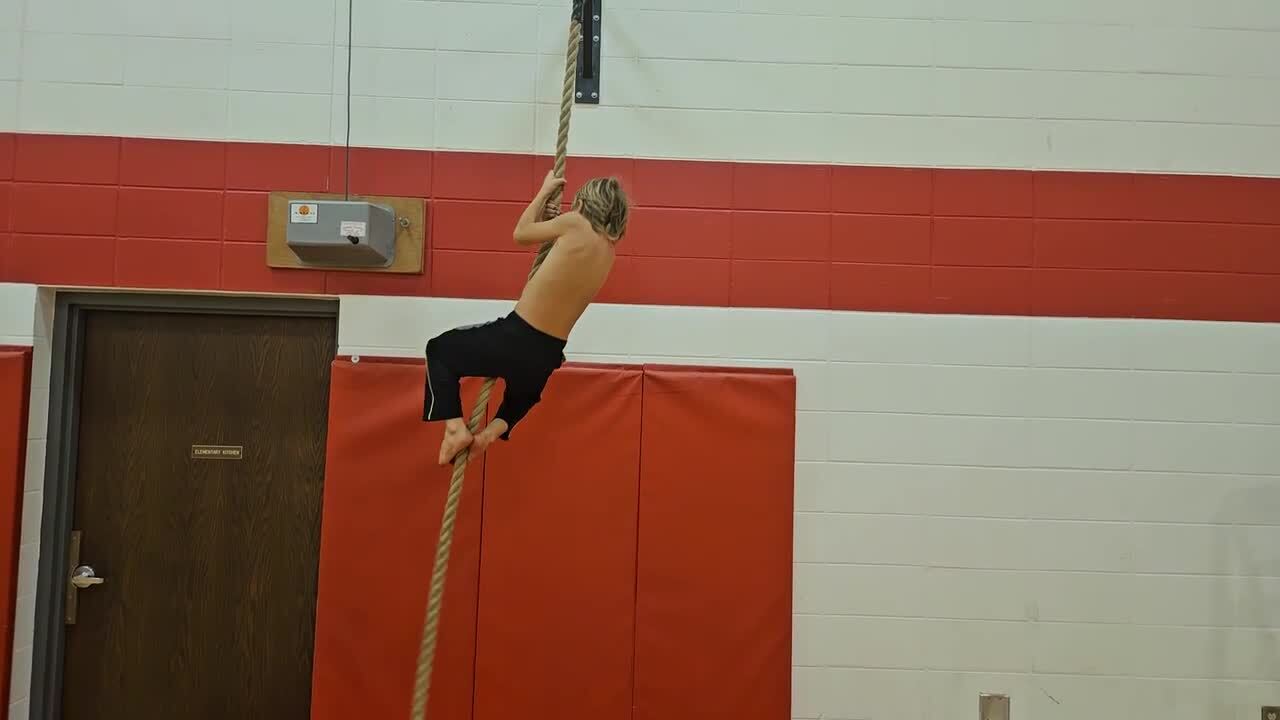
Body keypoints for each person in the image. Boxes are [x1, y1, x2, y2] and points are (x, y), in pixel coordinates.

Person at [423, 170, 630, 465]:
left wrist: (544, 192)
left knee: (439, 349)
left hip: (519, 336)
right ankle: (491, 433)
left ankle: (455, 428)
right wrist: (551, 220)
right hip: (549, 352)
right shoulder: (608, 251)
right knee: (523, 396)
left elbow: (521, 233)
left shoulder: (574, 223)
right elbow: (562, 264)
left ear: (585, 203)